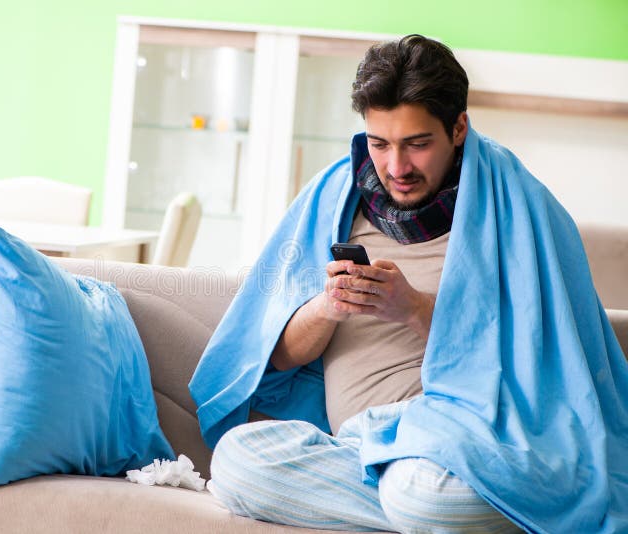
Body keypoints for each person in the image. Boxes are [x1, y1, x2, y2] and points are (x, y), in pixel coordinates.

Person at [189, 35, 628, 533]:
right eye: (379, 144)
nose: (396, 168)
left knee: (426, 492)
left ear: (458, 128)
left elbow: (543, 370)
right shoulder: (332, 197)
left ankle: (421, 505)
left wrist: (413, 307)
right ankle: (423, 514)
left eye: (417, 145)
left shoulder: (520, 208)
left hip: (462, 446)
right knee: (237, 460)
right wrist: (327, 308)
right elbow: (276, 359)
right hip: (353, 450)